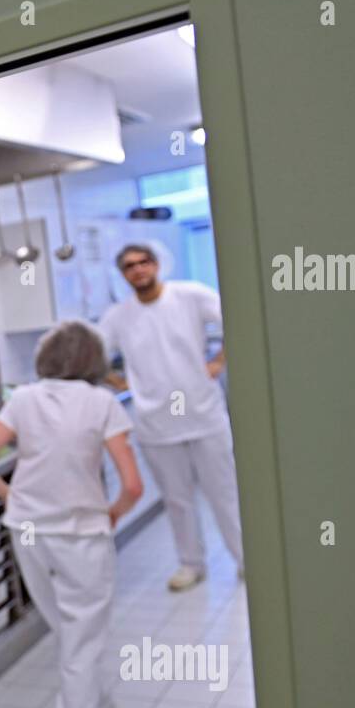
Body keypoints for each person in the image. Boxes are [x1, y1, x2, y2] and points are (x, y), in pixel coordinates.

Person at [0, 321, 142, 708]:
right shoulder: (103, 403)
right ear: (93, 361)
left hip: (26, 532)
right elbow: (132, 485)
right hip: (79, 535)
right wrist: (110, 515)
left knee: (69, 633)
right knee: (81, 645)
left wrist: (14, 497)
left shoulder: (23, 398)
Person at [97, 244, 244, 591]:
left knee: (224, 493)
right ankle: (191, 564)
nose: (138, 270)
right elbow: (90, 351)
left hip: (203, 412)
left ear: (157, 264)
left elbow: (238, 316)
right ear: (123, 275)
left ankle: (245, 559)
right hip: (156, 423)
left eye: (144, 262)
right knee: (177, 501)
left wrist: (220, 361)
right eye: (130, 266)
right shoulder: (119, 316)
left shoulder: (189, 295)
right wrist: (118, 380)